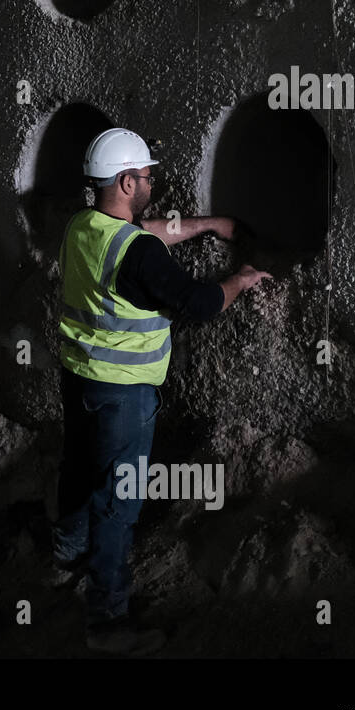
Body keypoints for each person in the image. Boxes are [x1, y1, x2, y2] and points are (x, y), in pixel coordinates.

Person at [52, 127, 271, 656]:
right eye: (147, 177)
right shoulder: (137, 252)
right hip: (123, 395)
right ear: (127, 182)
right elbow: (200, 302)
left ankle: (65, 557)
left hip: (78, 377)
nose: (152, 183)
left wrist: (207, 225)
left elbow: (144, 236)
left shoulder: (83, 225)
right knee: (118, 502)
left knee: (79, 468)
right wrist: (241, 280)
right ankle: (107, 623)